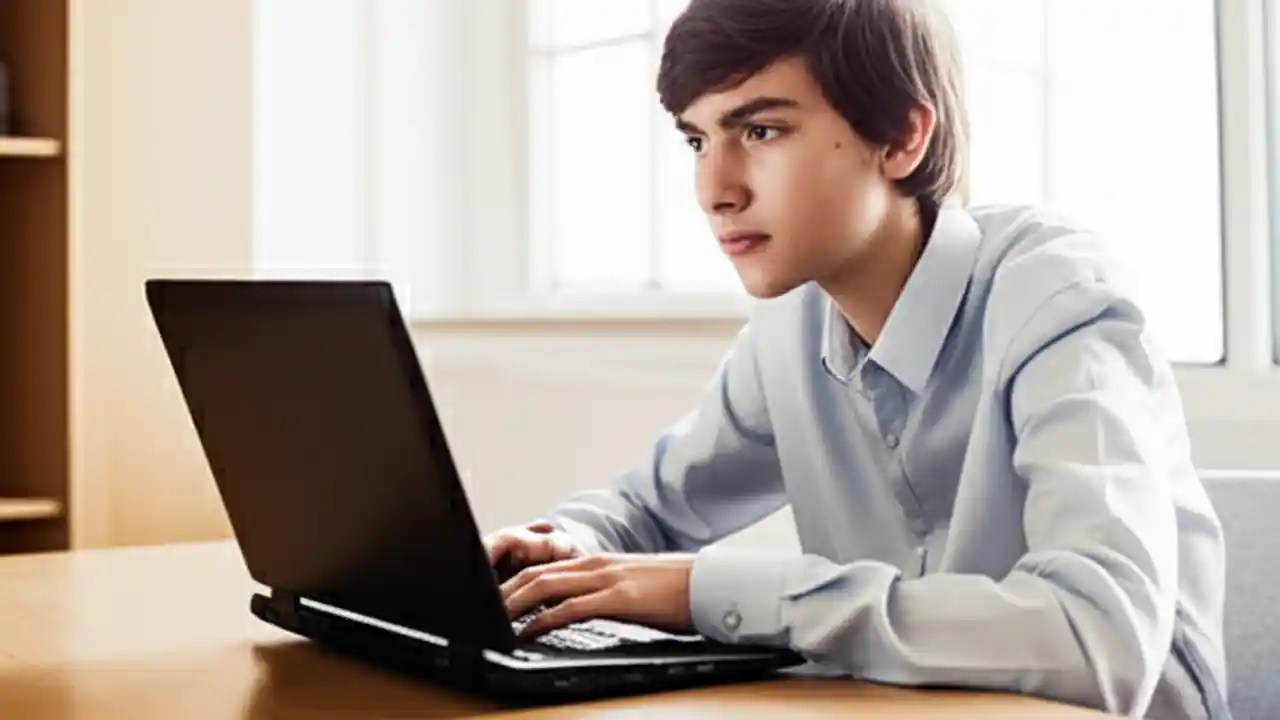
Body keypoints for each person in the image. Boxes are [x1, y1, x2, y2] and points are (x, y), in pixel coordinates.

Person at [484, 1, 1228, 717]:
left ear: (903, 137)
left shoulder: (1055, 297)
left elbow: (1100, 643)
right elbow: (649, 508)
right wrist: (560, 552)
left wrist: (712, 592)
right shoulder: (791, 328)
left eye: (764, 130)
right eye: (697, 140)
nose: (715, 190)